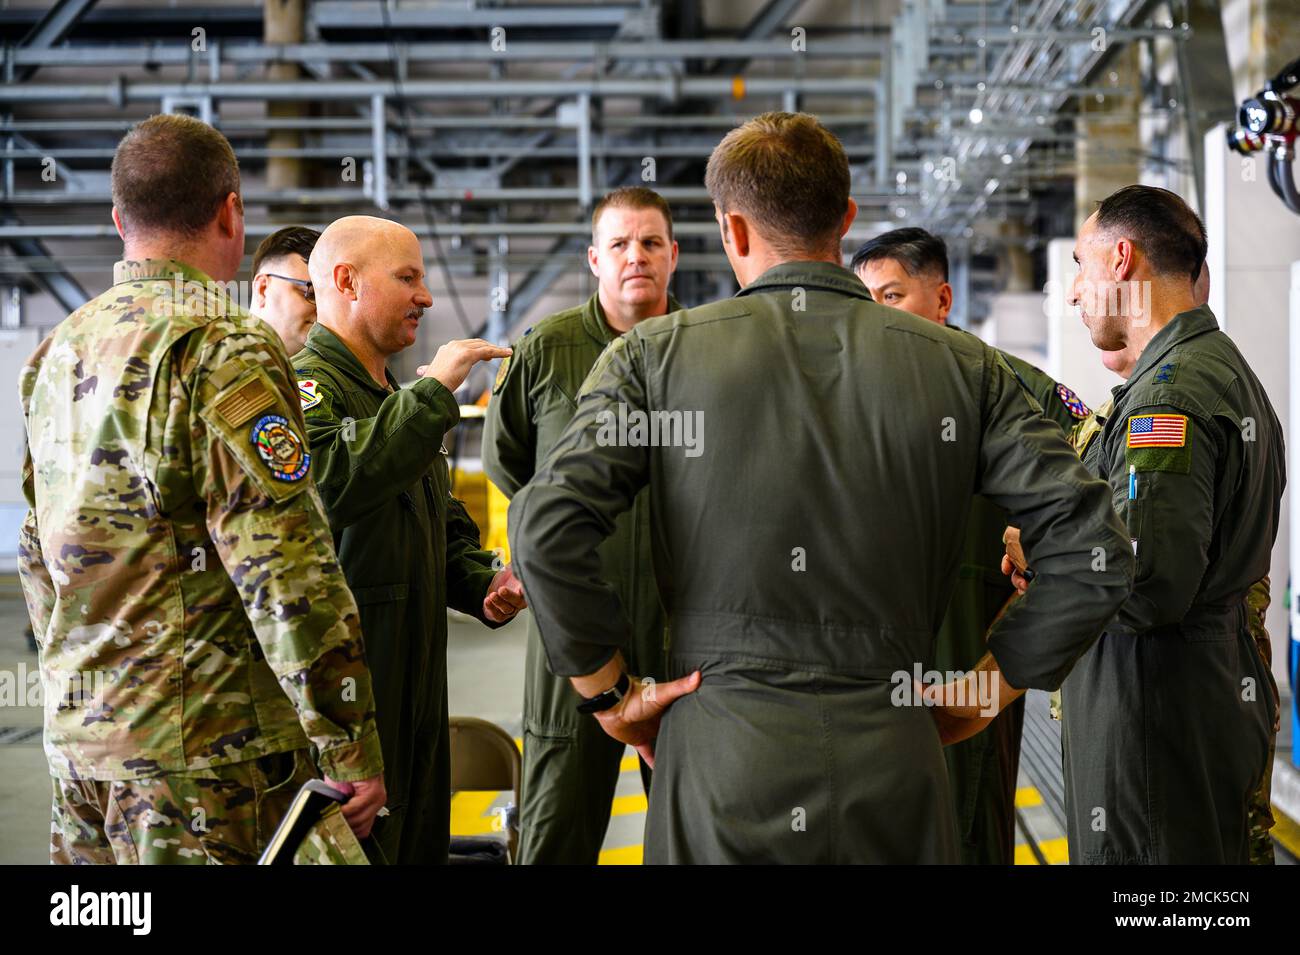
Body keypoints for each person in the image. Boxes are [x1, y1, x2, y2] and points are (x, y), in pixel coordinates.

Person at [506, 112, 1133, 864]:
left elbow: (545, 528)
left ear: (732, 231)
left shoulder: (654, 359)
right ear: (846, 219)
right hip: (895, 754)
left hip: (719, 761)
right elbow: (1095, 543)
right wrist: (989, 687)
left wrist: (610, 694)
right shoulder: (965, 369)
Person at [18, 113, 385, 864]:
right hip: (203, 762)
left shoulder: (58, 350)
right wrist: (348, 740)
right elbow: (286, 572)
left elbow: (37, 551)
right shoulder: (224, 344)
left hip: (81, 750)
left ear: (120, 220)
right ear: (230, 212)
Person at [1007, 251, 1282, 864]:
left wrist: (1042, 551)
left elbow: (1146, 580)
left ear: (1121, 258)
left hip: (1151, 719)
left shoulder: (1168, 399)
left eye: (1082, 265)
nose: (1076, 291)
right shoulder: (1207, 373)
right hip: (1177, 705)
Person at [292, 214, 526, 864]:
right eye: (408, 278)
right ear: (347, 281)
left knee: (419, 843)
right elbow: (333, 483)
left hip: (419, 686)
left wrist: (485, 583)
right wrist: (432, 392)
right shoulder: (305, 389)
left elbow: (436, 524)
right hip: (351, 699)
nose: (426, 296)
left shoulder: (387, 396)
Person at [850, 227, 1088, 865]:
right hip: (865, 667)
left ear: (943, 298)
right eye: (863, 297)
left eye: (892, 294)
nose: (875, 314)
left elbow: (1093, 525)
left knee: (968, 829)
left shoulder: (1015, 391)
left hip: (971, 663)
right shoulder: (844, 398)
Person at [483, 186, 680, 864]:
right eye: (620, 243)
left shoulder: (704, 350)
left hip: (682, 627)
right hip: (571, 631)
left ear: (674, 255)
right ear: (594, 258)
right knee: (556, 826)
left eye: (651, 242)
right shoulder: (547, 349)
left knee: (697, 832)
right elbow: (506, 460)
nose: (637, 257)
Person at [251, 225, 321, 356]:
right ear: (262, 289)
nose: (323, 309)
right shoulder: (220, 361)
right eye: (310, 294)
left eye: (327, 297)